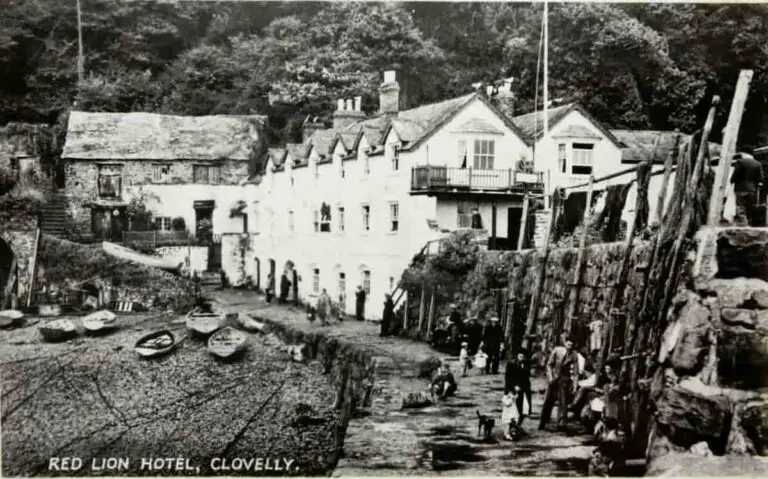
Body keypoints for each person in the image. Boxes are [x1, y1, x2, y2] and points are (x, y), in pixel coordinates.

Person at [539, 336, 580, 431]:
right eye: (569, 344)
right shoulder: (557, 350)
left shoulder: (574, 355)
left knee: (563, 401)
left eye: (572, 345)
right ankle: (543, 421)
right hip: (554, 378)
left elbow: (576, 372)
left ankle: (561, 423)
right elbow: (549, 365)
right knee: (548, 400)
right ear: (565, 343)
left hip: (565, 379)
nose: (570, 347)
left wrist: (574, 386)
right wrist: (550, 377)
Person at [730, 152, 764, 226]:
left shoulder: (740, 162)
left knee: (740, 206)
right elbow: (760, 178)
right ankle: (750, 222)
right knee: (750, 206)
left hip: (740, 187)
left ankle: (742, 224)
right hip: (752, 189)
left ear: (744, 154)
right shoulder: (758, 163)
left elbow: (735, 174)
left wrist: (731, 180)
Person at [505, 351, 533, 418]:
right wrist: (514, 386)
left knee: (526, 399)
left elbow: (527, 375)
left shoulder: (526, 364)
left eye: (523, 357)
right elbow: (508, 377)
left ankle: (525, 412)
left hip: (524, 385)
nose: (521, 358)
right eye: (520, 356)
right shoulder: (511, 364)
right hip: (513, 385)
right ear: (517, 356)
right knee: (514, 402)